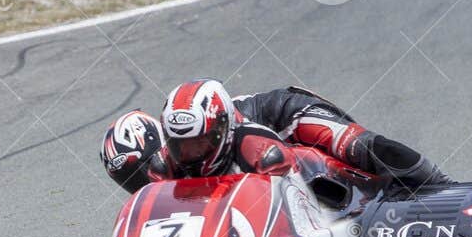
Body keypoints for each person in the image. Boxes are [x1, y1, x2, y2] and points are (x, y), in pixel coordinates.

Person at [101, 80, 451, 194]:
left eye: (199, 143)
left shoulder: (260, 150)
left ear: (220, 132)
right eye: (182, 145)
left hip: (284, 115)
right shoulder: (166, 164)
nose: (190, 153)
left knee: (355, 146)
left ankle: (442, 187)